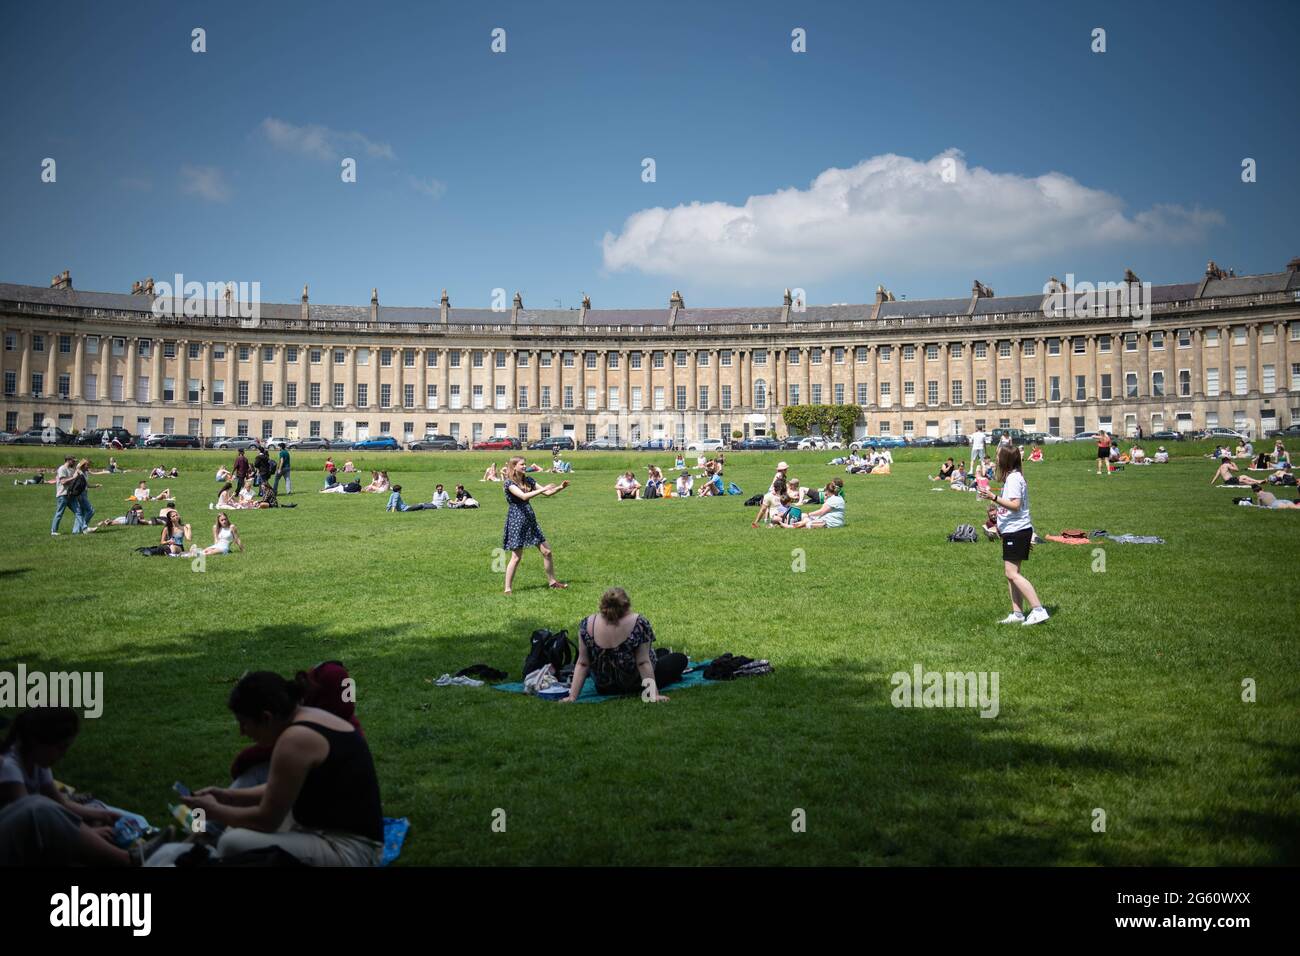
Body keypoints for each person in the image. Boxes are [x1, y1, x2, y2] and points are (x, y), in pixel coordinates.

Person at [179, 671, 383, 866]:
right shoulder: (308, 716)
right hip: (327, 831)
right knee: (236, 828)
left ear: (266, 718)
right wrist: (227, 796)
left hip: (350, 850)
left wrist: (214, 811)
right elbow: (279, 790)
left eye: (243, 723)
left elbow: (267, 820)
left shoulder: (294, 740)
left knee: (230, 842)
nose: (242, 733)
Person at [0, 708, 131, 866]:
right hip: (14, 842)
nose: (63, 755)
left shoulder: (37, 762)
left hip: (28, 833)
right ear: (38, 742)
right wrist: (87, 835)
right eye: (61, 748)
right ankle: (130, 859)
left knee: (94, 823)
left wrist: (102, 815)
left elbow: (60, 803)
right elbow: (31, 823)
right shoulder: (9, 768)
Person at [561, 588, 685, 702]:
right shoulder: (638, 623)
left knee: (660, 652)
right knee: (679, 659)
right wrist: (653, 695)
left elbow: (583, 663)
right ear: (627, 606)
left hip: (605, 687)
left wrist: (572, 696)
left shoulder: (587, 624)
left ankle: (660, 654)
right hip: (636, 684)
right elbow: (642, 663)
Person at [979, 445, 1049, 626]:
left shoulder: (1014, 479)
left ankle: (1038, 610)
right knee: (1011, 574)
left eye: (997, 456)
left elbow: (1015, 505)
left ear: (1005, 460)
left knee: (1012, 573)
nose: (995, 459)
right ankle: (1017, 614)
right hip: (1014, 531)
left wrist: (993, 497)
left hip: (1017, 531)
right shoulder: (1012, 477)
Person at [501, 457, 569, 594]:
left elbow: (548, 493)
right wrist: (543, 488)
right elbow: (524, 497)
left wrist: (560, 487)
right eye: (522, 464)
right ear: (514, 466)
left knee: (547, 552)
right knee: (516, 557)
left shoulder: (529, 480)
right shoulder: (509, 483)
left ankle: (552, 582)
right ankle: (507, 589)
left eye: (525, 464)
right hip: (517, 521)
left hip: (530, 520)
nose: (525, 466)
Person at [50, 455, 77, 535]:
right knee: (59, 513)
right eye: (73, 460)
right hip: (62, 495)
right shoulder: (62, 469)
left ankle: (83, 528)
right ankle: (54, 531)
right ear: (68, 460)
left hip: (70, 495)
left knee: (78, 512)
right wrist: (73, 478)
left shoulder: (71, 469)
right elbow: (63, 482)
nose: (74, 462)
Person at [69, 458, 96, 534]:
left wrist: (95, 486)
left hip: (84, 493)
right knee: (91, 510)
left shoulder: (86, 473)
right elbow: (73, 483)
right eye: (87, 465)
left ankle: (76, 531)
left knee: (81, 512)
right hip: (80, 494)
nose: (89, 467)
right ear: (83, 465)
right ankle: (84, 527)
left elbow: (86, 484)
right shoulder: (78, 472)